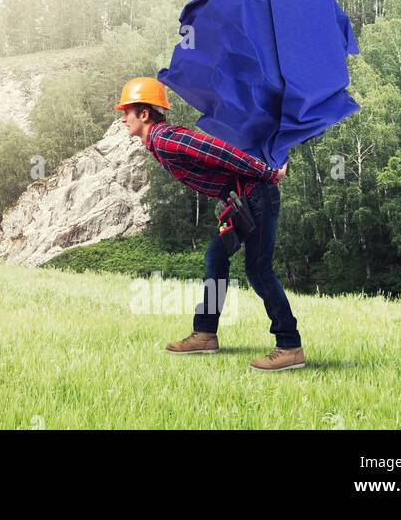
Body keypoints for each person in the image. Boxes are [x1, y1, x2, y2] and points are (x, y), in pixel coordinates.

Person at [115, 76, 304, 372]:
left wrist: (267, 173)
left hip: (258, 193)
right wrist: (227, 202)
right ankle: (205, 334)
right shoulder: (158, 142)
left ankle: (290, 345)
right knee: (215, 256)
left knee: (258, 269)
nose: (122, 117)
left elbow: (217, 151)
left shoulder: (164, 138)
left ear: (144, 114)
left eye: (126, 112)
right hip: (244, 198)